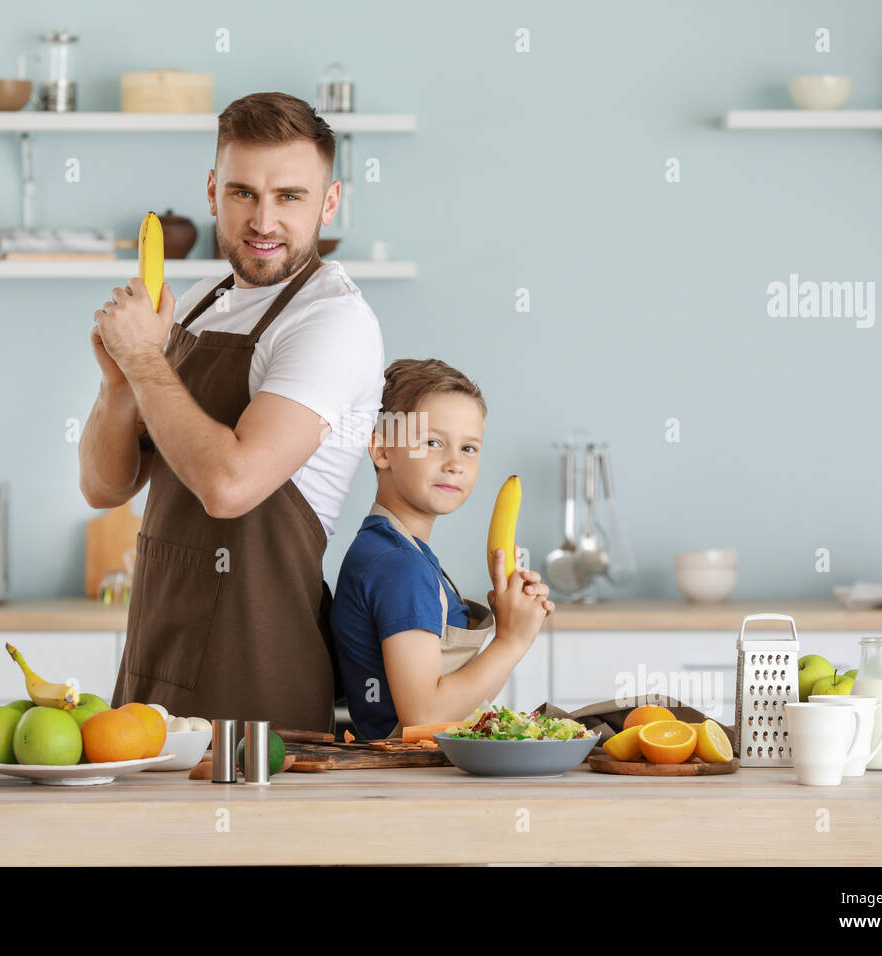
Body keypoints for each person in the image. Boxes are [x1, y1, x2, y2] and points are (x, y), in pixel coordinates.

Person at [80, 92, 384, 734]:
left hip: (257, 675)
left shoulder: (332, 321)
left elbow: (229, 485)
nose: (263, 221)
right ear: (214, 192)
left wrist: (145, 363)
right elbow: (105, 486)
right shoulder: (194, 301)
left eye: (290, 197)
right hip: (156, 657)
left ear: (329, 203)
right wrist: (117, 383)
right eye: (243, 193)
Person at [329, 358, 554, 740]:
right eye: (432, 442)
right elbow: (423, 715)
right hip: (405, 783)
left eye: (469, 448)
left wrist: (509, 622)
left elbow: (458, 709)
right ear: (382, 450)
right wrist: (511, 641)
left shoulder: (407, 555)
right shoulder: (399, 566)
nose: (454, 463)